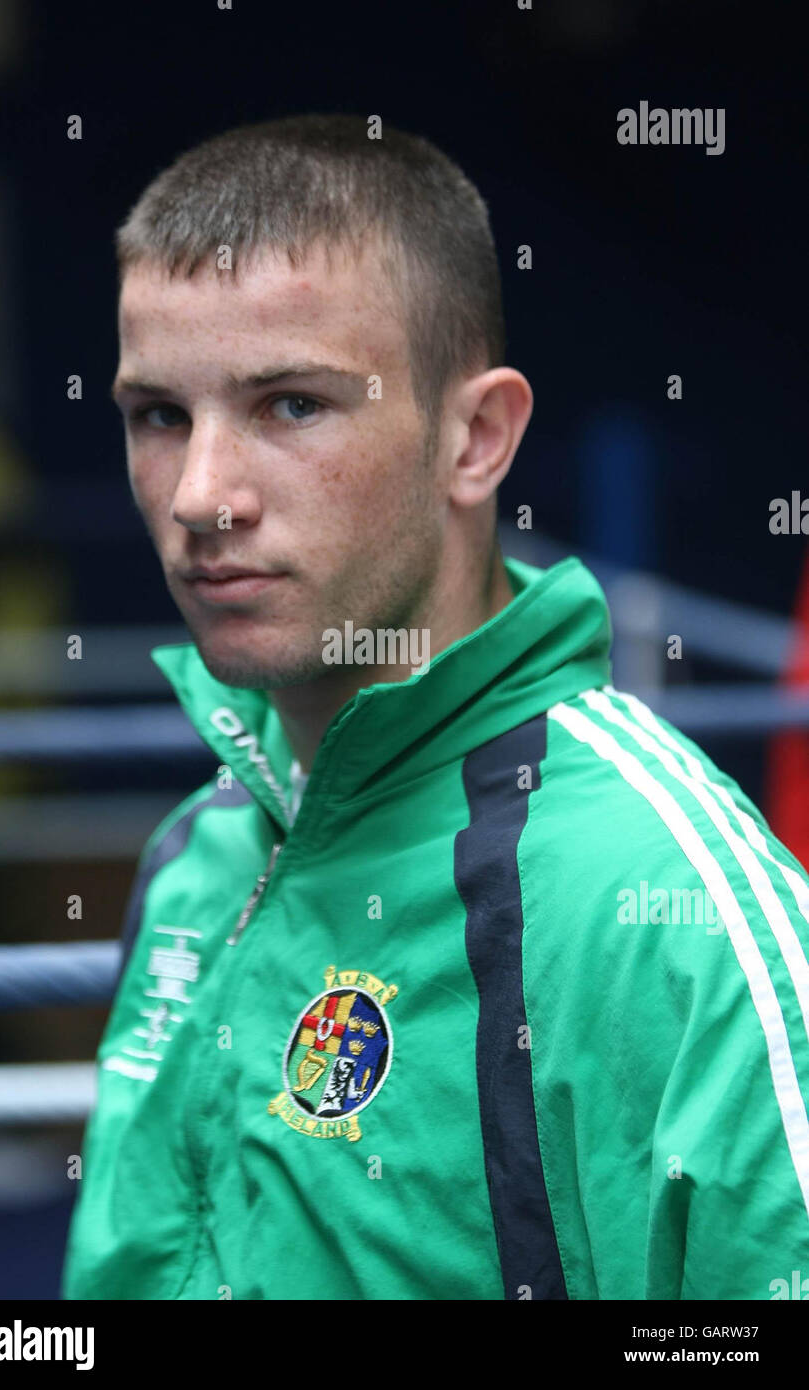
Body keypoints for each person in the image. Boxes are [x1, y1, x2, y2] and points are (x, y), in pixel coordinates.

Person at [63, 113, 809, 1300]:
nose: (200, 494)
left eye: (291, 404)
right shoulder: (196, 854)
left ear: (476, 438)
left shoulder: (663, 906)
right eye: (160, 414)